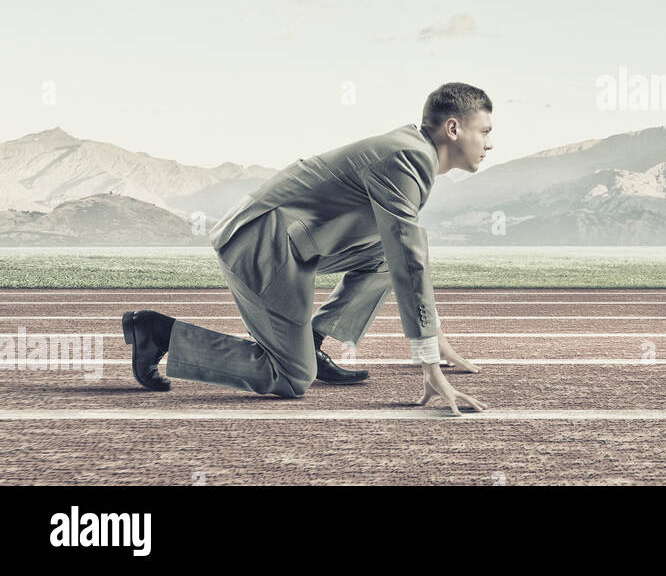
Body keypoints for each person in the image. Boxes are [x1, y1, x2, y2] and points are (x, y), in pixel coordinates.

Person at [121, 82, 493, 416]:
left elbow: (404, 255)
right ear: (454, 128)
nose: (490, 144)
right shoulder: (406, 158)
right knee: (291, 376)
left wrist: (435, 335)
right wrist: (429, 362)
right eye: (486, 131)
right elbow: (409, 257)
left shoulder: (411, 152)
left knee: (387, 254)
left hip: (292, 243)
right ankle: (160, 333)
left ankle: (311, 341)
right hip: (261, 243)